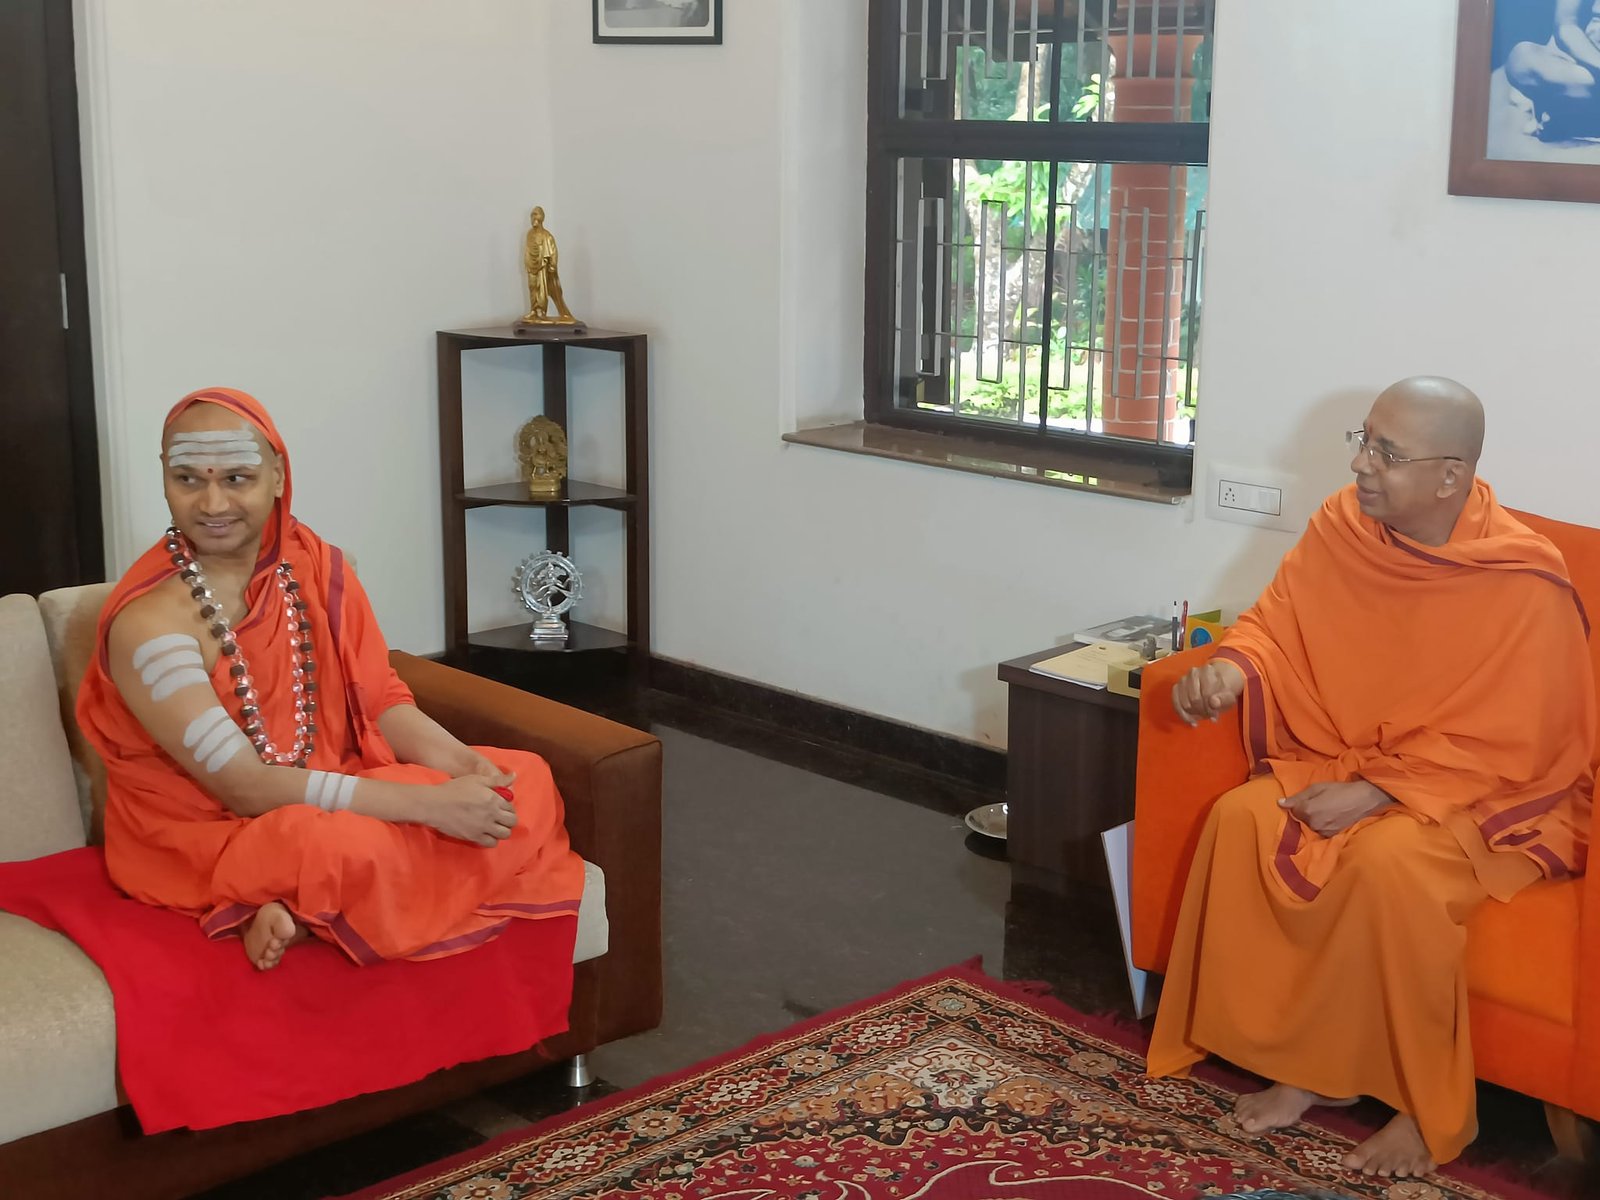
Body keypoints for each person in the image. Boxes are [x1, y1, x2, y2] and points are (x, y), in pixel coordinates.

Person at [1146, 377, 1594, 1178]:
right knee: (1245, 819)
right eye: (1363, 440)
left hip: (1486, 792)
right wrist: (1233, 670)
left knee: (1392, 868)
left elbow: (1529, 739)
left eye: (1387, 452)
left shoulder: (1523, 576)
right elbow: (1278, 621)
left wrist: (1383, 794)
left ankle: (1426, 1115)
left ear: (1450, 476)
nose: (1361, 465)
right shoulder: (1343, 526)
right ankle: (1313, 1072)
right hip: (1354, 755)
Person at [77, 388, 585, 971]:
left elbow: (381, 700)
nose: (212, 503)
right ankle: (316, 899)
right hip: (209, 831)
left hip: (330, 787)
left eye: (237, 478)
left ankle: (310, 910)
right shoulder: (149, 626)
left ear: (277, 477)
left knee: (525, 781)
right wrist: (428, 807)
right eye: (188, 480)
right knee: (342, 848)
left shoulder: (314, 565)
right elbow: (243, 787)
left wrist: (461, 765)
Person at [1504, 1, 1600, 142]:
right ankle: (1579, 115)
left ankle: (1573, 116)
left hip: (1588, 87)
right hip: (1584, 70)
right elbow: (1567, 26)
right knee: (1521, 58)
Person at [521, 206, 578, 326]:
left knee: (541, 288)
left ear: (541, 218)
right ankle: (533, 311)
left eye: (536, 215)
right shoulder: (529, 234)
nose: (533, 218)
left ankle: (541, 311)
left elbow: (553, 252)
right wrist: (527, 262)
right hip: (531, 265)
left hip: (542, 265)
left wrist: (552, 265)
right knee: (532, 288)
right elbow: (527, 250)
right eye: (532, 216)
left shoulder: (547, 235)